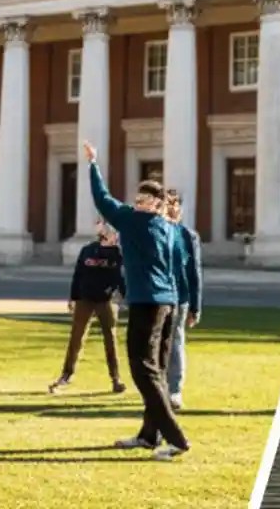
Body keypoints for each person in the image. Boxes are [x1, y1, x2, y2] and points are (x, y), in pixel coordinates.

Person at [83, 141, 190, 461]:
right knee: (155, 369)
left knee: (143, 371)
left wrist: (93, 165)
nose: (137, 202)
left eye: (143, 199)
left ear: (156, 203)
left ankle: (177, 439)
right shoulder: (171, 229)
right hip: (168, 303)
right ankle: (148, 436)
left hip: (147, 302)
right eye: (137, 198)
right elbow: (178, 265)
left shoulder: (132, 220)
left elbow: (102, 200)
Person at [49, 221, 127, 395]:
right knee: (76, 337)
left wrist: (124, 295)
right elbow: (78, 274)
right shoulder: (88, 250)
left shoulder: (118, 254)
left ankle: (115, 378)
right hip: (85, 299)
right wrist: (73, 297)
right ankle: (66, 375)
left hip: (106, 301)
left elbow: (120, 277)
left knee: (110, 340)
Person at [164, 189, 202, 411]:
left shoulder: (187, 235)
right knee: (156, 342)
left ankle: (175, 389)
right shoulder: (154, 232)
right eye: (167, 203)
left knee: (175, 341)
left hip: (180, 296)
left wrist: (195, 307)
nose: (171, 207)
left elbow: (194, 272)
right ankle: (158, 386)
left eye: (175, 204)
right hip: (156, 296)